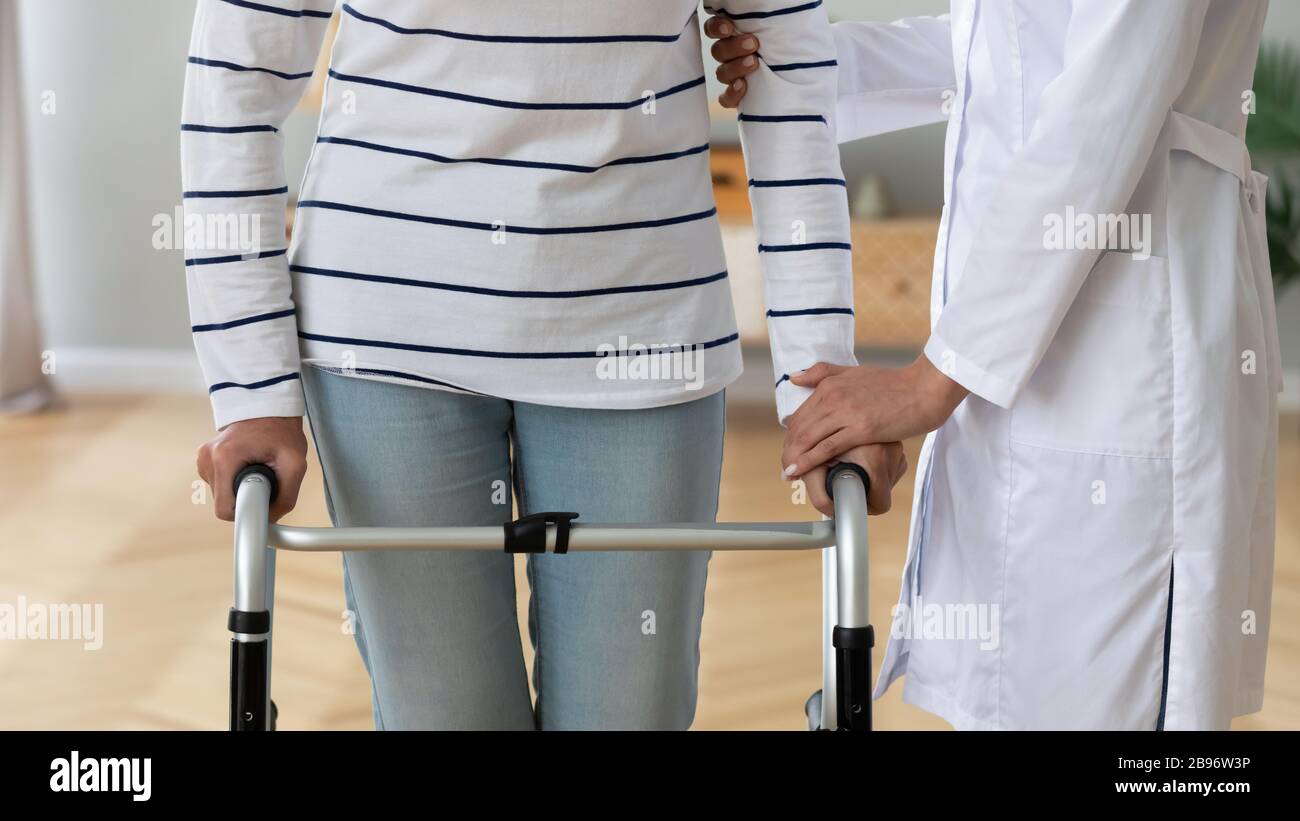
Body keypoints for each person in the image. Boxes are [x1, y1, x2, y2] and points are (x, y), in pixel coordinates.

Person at [181, 0, 907, 730]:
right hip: (385, 335)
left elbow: (789, 83)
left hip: (640, 331)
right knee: (444, 715)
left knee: (629, 714)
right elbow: (233, 85)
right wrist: (252, 389)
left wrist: (820, 385)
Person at [708, 0, 1280, 730]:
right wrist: (815, 64)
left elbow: (1101, 110)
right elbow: (1003, 46)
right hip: (1027, 356)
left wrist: (929, 382)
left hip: (1130, 362)